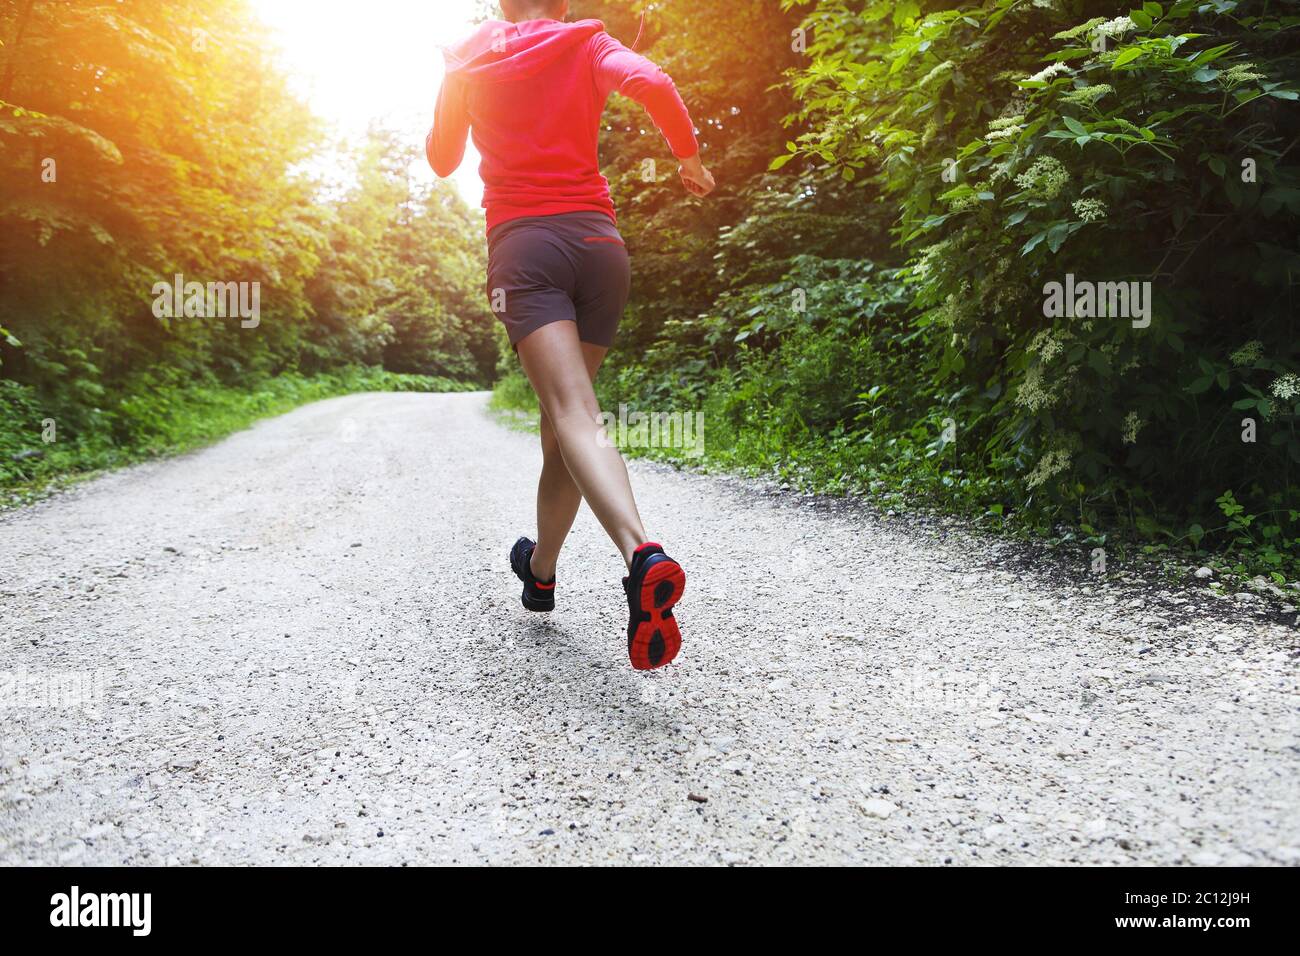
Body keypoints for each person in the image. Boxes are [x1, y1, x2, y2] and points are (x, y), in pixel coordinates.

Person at [427, 0, 715, 671]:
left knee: (572, 416)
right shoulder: (586, 42)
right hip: (599, 247)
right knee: (563, 425)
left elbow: (442, 159)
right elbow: (655, 84)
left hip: (526, 249)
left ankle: (641, 553)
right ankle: (542, 571)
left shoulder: (470, 53)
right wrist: (690, 160)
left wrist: (464, 95)